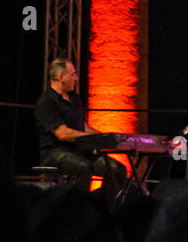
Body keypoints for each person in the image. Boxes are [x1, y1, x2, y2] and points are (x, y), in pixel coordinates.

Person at [33, 58, 128, 197]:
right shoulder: (46, 102)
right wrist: (95, 139)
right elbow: (63, 133)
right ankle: (80, 210)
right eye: (72, 74)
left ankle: (104, 209)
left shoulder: (74, 98)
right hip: (55, 152)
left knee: (117, 170)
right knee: (84, 167)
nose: (76, 78)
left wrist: (105, 137)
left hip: (79, 151)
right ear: (60, 77)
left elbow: (82, 126)